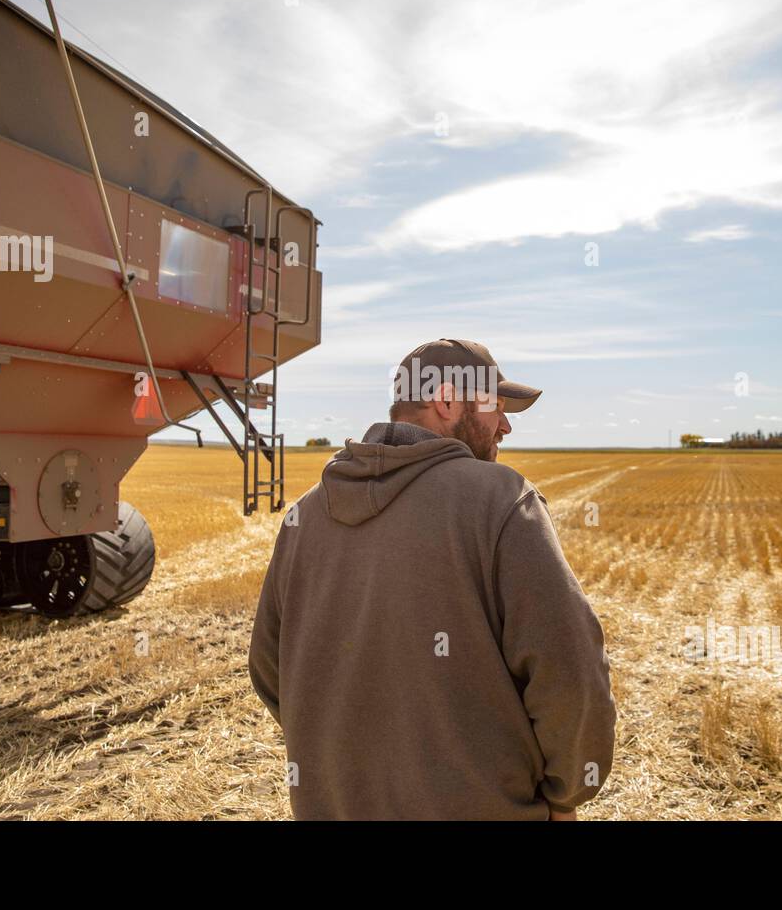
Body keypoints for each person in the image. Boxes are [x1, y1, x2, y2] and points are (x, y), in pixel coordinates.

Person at [248, 338, 616, 820]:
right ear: (446, 400)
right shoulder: (501, 500)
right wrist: (566, 792)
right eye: (495, 407)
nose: (504, 425)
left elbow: (269, 667)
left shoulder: (304, 515)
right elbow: (568, 672)